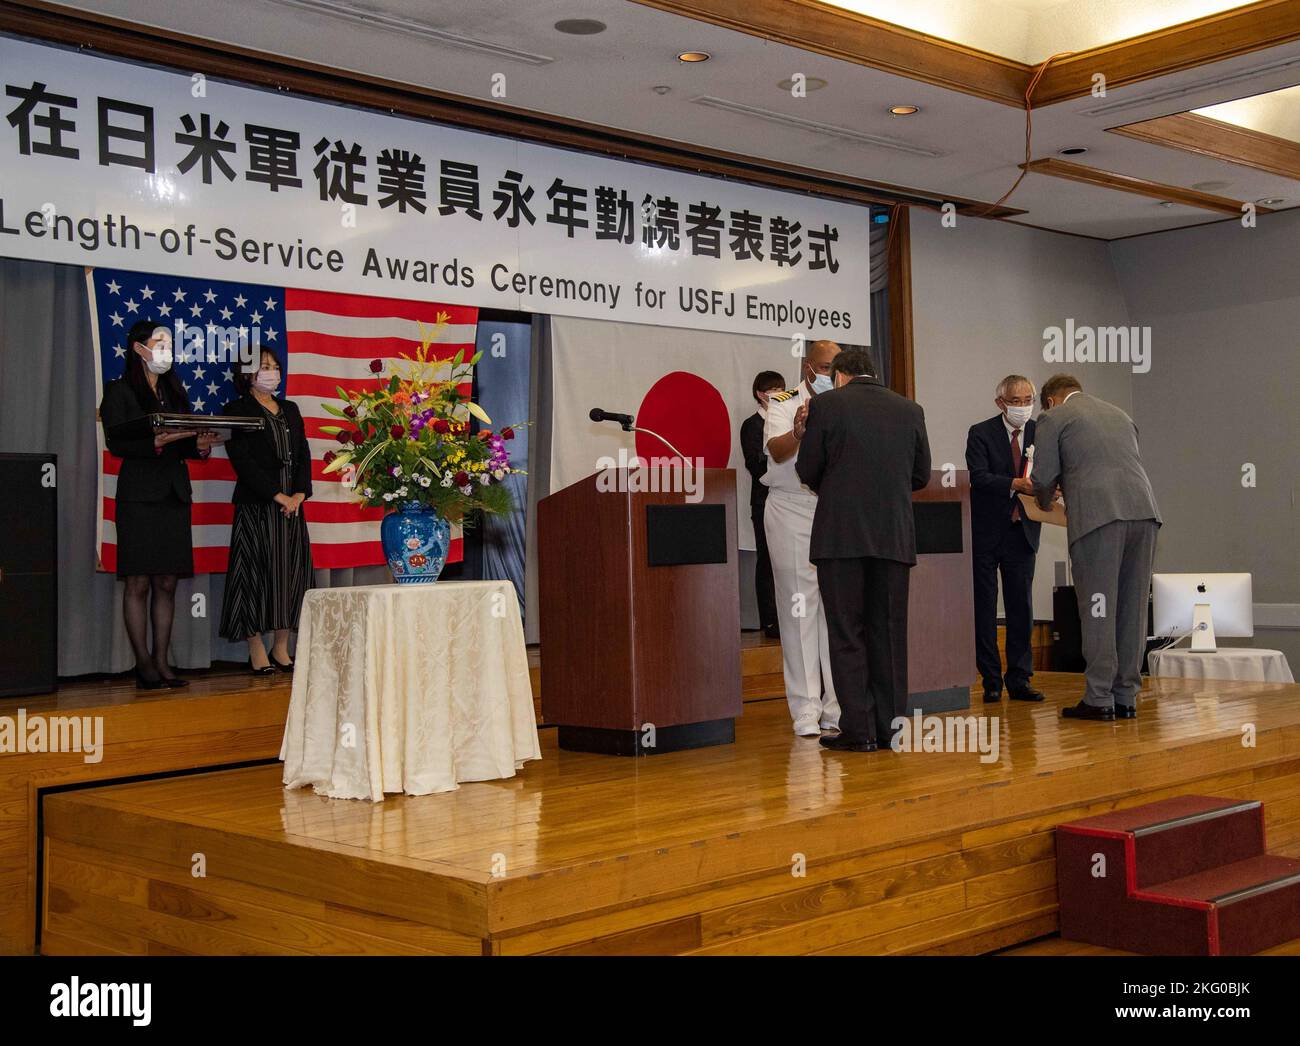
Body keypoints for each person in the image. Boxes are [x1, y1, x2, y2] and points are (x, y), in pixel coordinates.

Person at [796, 349, 931, 753]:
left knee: (847, 632)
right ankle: (892, 729)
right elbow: (921, 475)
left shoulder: (826, 405)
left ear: (840, 376)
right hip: (892, 537)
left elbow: (807, 469)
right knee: (889, 633)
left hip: (841, 537)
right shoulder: (910, 409)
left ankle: (859, 730)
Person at [99, 319, 223, 688]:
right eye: (159, 342)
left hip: (173, 492)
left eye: (169, 342)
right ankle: (143, 664)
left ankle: (162, 660)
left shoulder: (174, 388)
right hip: (138, 494)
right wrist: (156, 441)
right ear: (139, 348)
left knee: (167, 582)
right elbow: (116, 443)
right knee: (138, 581)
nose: (166, 349)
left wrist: (198, 446)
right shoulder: (119, 391)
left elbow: (184, 441)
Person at [1030, 374, 1161, 722]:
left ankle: (1099, 696)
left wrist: (1044, 500)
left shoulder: (1052, 417)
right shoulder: (1120, 414)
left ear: (1051, 400)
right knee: (1132, 610)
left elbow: (1042, 477)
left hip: (1099, 519)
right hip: (1144, 514)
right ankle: (1127, 697)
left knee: (1098, 608)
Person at [763, 340, 842, 737]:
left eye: (837, 367)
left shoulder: (847, 401)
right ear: (809, 367)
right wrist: (798, 431)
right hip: (792, 508)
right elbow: (777, 452)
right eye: (826, 367)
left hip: (834, 508)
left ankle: (836, 707)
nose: (831, 374)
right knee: (799, 610)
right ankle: (806, 709)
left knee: (837, 609)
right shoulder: (785, 399)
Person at [219, 349, 313, 674]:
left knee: (289, 575)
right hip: (258, 506)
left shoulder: (290, 409)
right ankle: (256, 647)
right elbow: (242, 462)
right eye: (264, 367)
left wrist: (298, 494)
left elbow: (303, 453)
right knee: (253, 576)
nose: (272, 372)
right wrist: (278, 496)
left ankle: (282, 647)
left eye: (275, 367)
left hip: (292, 508)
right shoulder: (236, 410)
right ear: (247, 374)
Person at [966, 375, 1044, 704]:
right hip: (986, 532)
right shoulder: (980, 433)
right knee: (984, 608)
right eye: (1016, 401)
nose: (1023, 406)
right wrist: (1015, 483)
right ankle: (991, 680)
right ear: (1001, 403)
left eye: (1028, 399)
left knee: (1021, 608)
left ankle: (1020, 678)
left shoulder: (1042, 432)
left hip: (1023, 531)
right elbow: (978, 477)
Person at [741, 370, 785, 639]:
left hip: (791, 500)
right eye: (773, 390)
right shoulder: (752, 425)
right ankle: (770, 620)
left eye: (782, 388)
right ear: (760, 394)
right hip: (764, 501)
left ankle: (791, 616)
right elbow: (754, 464)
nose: (779, 394)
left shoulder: (791, 422)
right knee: (767, 560)